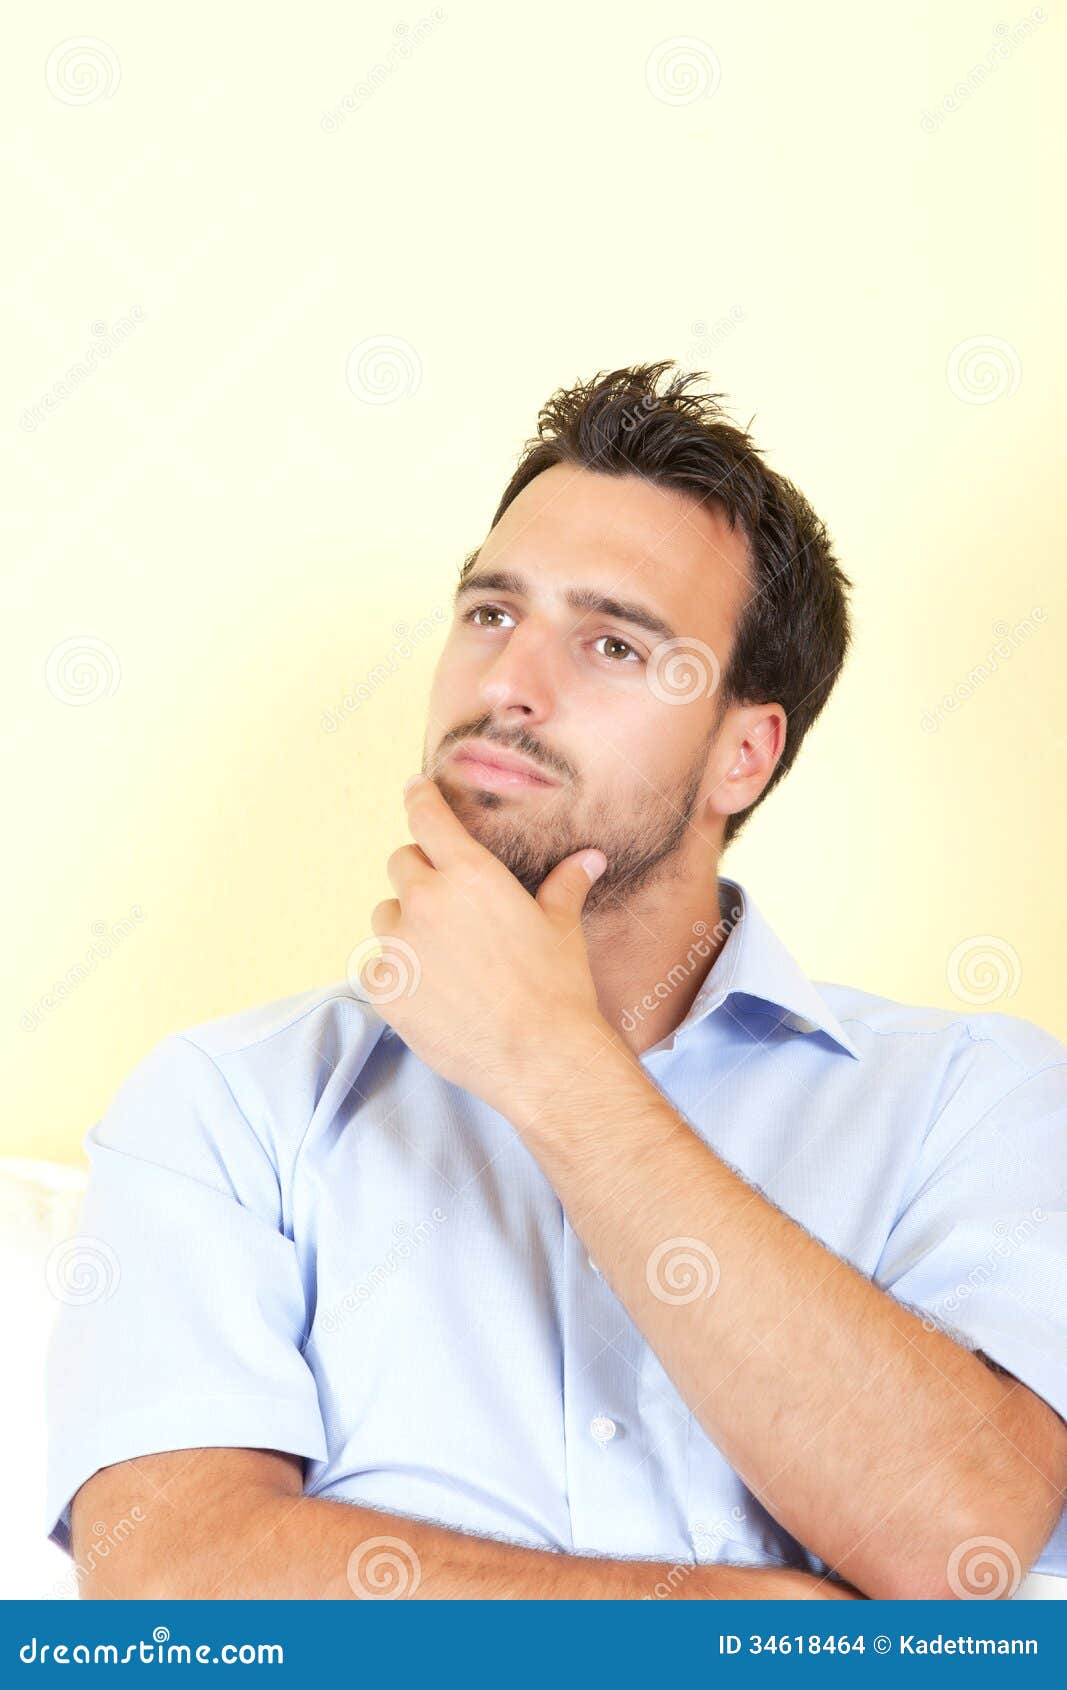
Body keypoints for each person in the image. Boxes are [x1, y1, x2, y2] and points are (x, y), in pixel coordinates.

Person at [45, 363, 1067, 1601]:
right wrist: (707, 1621)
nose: (505, 685)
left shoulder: (971, 1098)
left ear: (741, 753)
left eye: (611, 642)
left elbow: (958, 1535)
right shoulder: (226, 1105)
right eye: (487, 613)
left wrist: (553, 1064)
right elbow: (165, 1578)